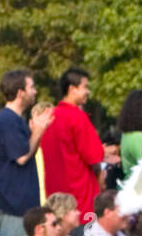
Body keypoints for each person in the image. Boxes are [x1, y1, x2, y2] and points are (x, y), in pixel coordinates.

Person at [0, 69, 53, 236]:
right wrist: (39, 129)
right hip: (12, 203)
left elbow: (29, 151)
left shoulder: (15, 120)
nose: (35, 91)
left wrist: (38, 131)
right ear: (20, 92)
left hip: (20, 204)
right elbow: (22, 156)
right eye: (31, 87)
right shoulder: (8, 120)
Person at [40, 68, 104, 216]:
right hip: (81, 199)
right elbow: (94, 155)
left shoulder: (50, 115)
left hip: (56, 197)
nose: (87, 91)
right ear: (72, 89)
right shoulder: (77, 116)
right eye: (84, 87)